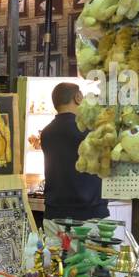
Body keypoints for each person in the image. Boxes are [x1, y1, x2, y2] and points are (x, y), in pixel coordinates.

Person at [39, 83, 108, 234]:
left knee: (57, 258)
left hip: (53, 216)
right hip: (88, 216)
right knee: (94, 257)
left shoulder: (46, 132)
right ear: (78, 97)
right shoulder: (88, 130)